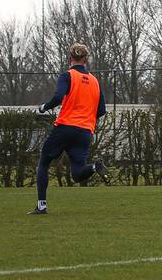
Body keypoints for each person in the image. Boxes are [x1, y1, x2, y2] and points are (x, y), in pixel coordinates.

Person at [30, 43, 109, 215]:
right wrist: (87, 118)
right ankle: (95, 167)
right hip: (85, 131)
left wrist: (44, 107)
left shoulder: (67, 75)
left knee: (44, 162)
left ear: (69, 58)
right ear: (86, 59)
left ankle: (41, 206)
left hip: (65, 127)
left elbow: (58, 97)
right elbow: (102, 110)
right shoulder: (95, 81)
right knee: (78, 173)